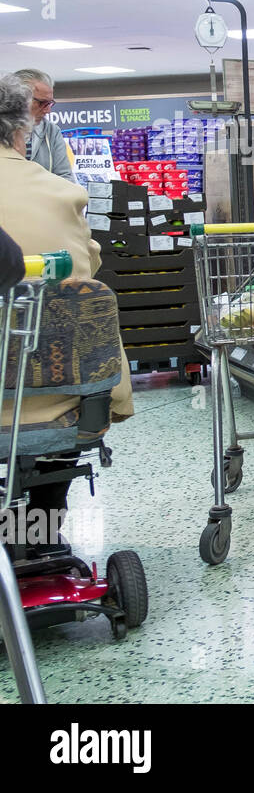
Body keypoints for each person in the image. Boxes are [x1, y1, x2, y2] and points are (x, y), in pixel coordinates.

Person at [0, 72, 134, 551]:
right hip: (57, 395)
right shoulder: (63, 195)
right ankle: (39, 535)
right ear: (22, 130)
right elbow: (87, 266)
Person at [14, 68, 74, 181]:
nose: (48, 110)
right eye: (42, 103)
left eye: (49, 103)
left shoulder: (51, 131)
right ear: (17, 99)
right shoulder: (4, 131)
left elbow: (65, 177)